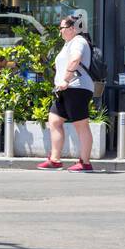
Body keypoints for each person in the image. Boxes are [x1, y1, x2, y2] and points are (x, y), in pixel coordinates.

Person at [40, 15, 96, 172]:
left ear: (72, 29)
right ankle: (55, 160)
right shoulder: (68, 43)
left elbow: (75, 59)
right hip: (66, 89)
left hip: (76, 88)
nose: (60, 32)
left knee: (81, 124)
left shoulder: (78, 41)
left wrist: (65, 79)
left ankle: (85, 162)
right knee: (55, 120)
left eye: (62, 28)